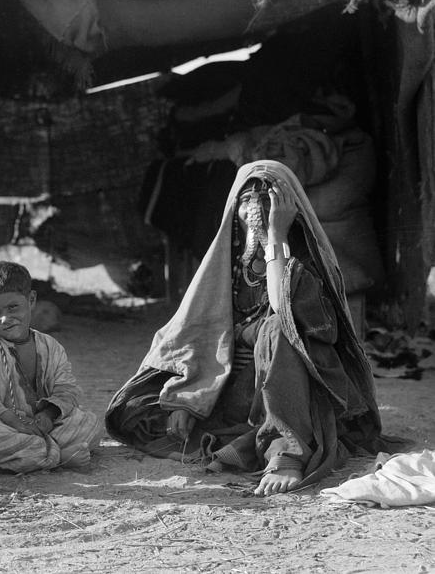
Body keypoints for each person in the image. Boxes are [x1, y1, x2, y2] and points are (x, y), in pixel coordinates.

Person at [106, 159, 393, 496]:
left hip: (292, 396)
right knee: (139, 412)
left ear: (290, 209)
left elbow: (286, 310)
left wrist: (276, 236)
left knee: (275, 328)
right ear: (232, 211)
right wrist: (187, 399)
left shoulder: (303, 266)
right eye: (245, 201)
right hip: (229, 391)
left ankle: (286, 453)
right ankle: (240, 433)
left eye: (268, 200)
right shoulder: (222, 271)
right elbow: (189, 335)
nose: (255, 210)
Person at [0, 261, 101, 473]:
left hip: (40, 428)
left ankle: (29, 455)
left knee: (89, 423)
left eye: (13, 308)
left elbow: (66, 388)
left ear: (31, 300)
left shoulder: (50, 346)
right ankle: (57, 457)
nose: (5, 318)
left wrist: (49, 415)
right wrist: (12, 420)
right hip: (2, 427)